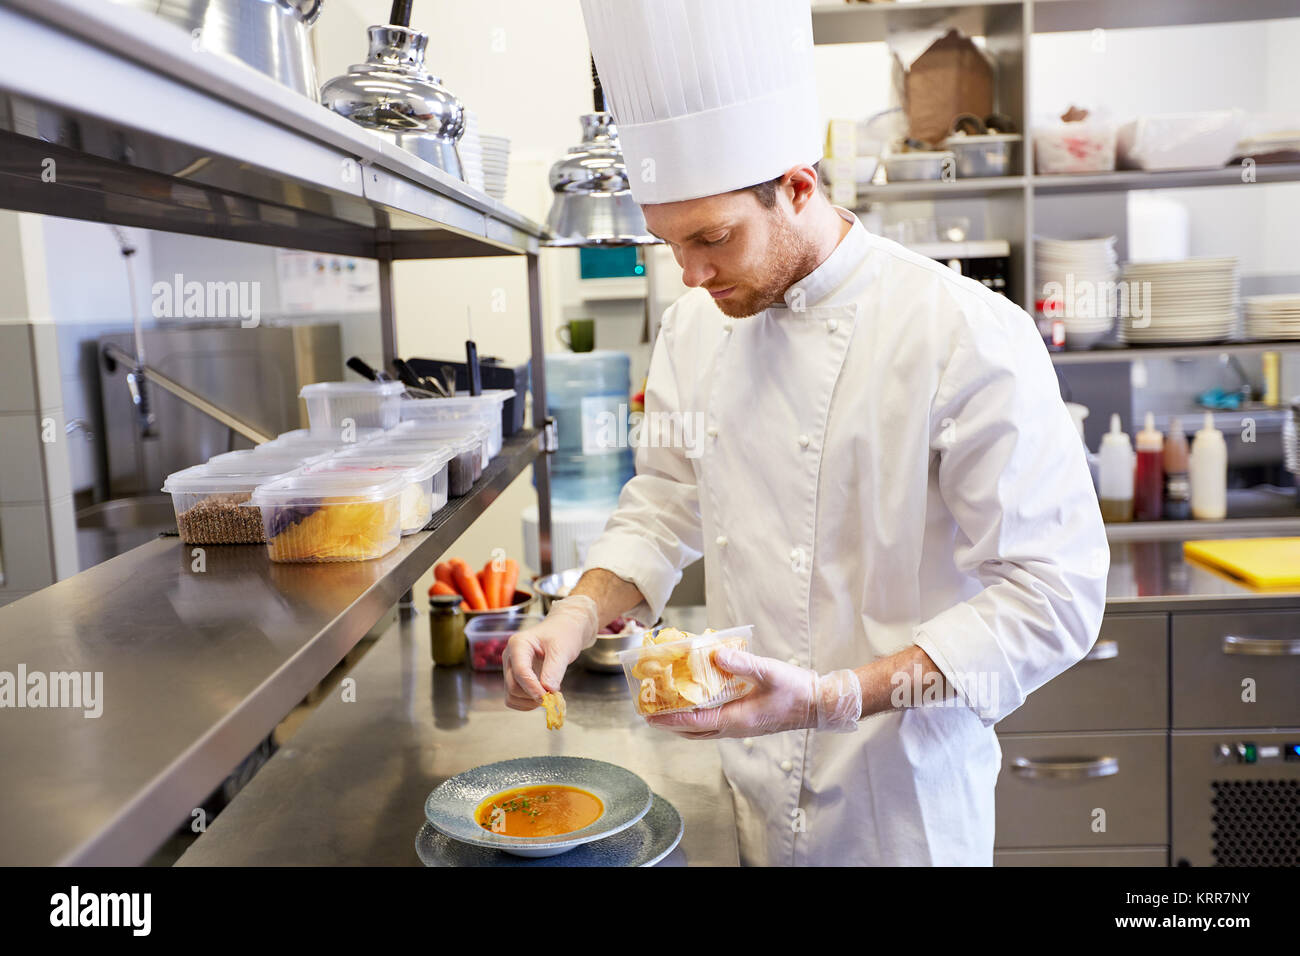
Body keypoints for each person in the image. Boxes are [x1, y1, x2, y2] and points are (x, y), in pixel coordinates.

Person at [503, 0, 1109, 866]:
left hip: (904, 813)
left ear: (797, 186)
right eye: (670, 244)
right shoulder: (693, 328)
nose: (695, 273)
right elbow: (666, 506)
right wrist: (575, 616)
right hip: (744, 795)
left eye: (713, 238)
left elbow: (1054, 598)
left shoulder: (960, 332)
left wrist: (831, 698)